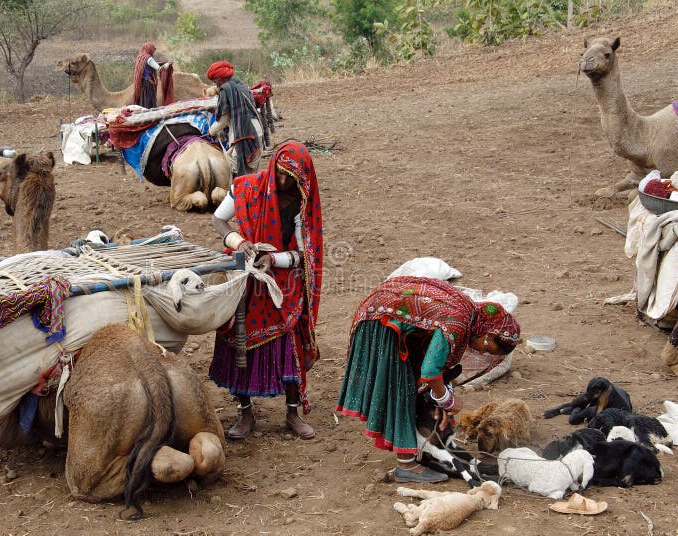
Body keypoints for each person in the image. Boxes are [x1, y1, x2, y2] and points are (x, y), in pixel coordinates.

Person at [336, 276, 521, 483]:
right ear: (488, 335)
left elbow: (436, 365)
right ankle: (406, 465)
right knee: (401, 386)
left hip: (394, 316)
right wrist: (448, 401)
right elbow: (431, 373)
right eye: (487, 348)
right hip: (382, 324)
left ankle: (422, 451)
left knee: (413, 382)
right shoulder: (458, 323)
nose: (480, 351)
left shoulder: (469, 316)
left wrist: (441, 397)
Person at [209, 140, 323, 440]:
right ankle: (245, 412)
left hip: (282, 282)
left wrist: (273, 258)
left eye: (291, 177)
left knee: (289, 343)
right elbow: (218, 219)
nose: (284, 182)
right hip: (246, 278)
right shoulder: (246, 187)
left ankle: (292, 412)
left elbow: (303, 254)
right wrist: (239, 243)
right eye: (281, 174)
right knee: (239, 342)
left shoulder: (300, 202)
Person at [206, 60, 262, 177]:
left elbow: (224, 119)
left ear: (221, 78)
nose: (216, 85)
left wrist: (211, 131)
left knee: (235, 172)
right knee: (252, 174)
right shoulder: (242, 85)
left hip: (242, 134)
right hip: (257, 131)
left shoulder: (226, 89)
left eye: (216, 81)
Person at [133, 42, 171, 109]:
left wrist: (162, 63)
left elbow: (152, 65)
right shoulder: (149, 58)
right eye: (153, 49)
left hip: (142, 83)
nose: (153, 51)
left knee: (143, 100)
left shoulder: (141, 57)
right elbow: (160, 69)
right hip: (148, 84)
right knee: (149, 101)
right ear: (149, 49)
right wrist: (168, 64)